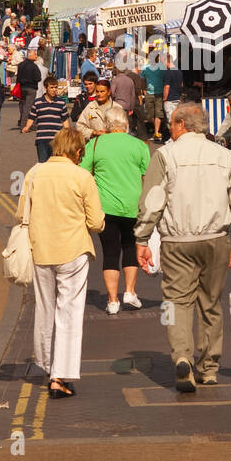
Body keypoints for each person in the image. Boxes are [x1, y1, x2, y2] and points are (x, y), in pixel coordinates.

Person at [135, 103, 231, 392]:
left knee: (177, 303)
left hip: (177, 242)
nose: (169, 129)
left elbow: (153, 202)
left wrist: (142, 239)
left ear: (182, 125)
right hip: (216, 240)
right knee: (211, 303)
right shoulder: (224, 156)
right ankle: (209, 367)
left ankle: (182, 357)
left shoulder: (164, 156)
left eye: (172, 124)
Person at [18, 126, 105, 399]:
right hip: (73, 251)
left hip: (41, 250)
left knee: (44, 308)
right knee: (69, 313)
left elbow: (23, 213)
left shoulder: (33, 173)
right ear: (78, 151)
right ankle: (60, 376)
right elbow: (96, 221)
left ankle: (45, 364)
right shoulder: (82, 176)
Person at [82, 105, 150, 314]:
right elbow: (148, 176)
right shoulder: (140, 146)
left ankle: (112, 301)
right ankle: (129, 291)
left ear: (107, 125)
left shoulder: (94, 145)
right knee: (130, 247)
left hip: (105, 207)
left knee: (110, 252)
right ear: (126, 124)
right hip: (133, 205)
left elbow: (82, 173)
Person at [23, 76, 70, 162]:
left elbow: (65, 119)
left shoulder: (61, 102)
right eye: (51, 87)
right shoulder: (38, 102)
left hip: (56, 140)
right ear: (45, 88)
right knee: (42, 163)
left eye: (56, 87)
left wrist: (67, 132)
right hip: (42, 139)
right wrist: (27, 127)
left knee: (55, 164)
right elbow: (32, 117)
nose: (54, 90)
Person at [142, 51, 167, 141]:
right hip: (149, 93)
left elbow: (166, 80)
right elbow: (142, 80)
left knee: (158, 113)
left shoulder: (162, 67)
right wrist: (144, 91)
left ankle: (156, 132)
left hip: (159, 93)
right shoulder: (145, 68)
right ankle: (158, 127)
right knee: (149, 116)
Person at [16, 49, 42, 131]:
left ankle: (29, 124)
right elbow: (38, 78)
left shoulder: (21, 65)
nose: (36, 56)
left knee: (23, 106)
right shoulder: (34, 66)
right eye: (35, 55)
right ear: (30, 55)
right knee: (29, 107)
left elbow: (18, 77)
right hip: (31, 88)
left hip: (22, 87)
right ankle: (24, 125)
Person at [162, 60, 184, 126]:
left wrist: (164, 98)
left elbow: (167, 87)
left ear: (167, 61)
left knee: (171, 120)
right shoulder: (179, 71)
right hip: (177, 98)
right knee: (178, 119)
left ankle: (173, 135)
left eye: (163, 62)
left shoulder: (168, 72)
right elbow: (182, 84)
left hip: (170, 100)